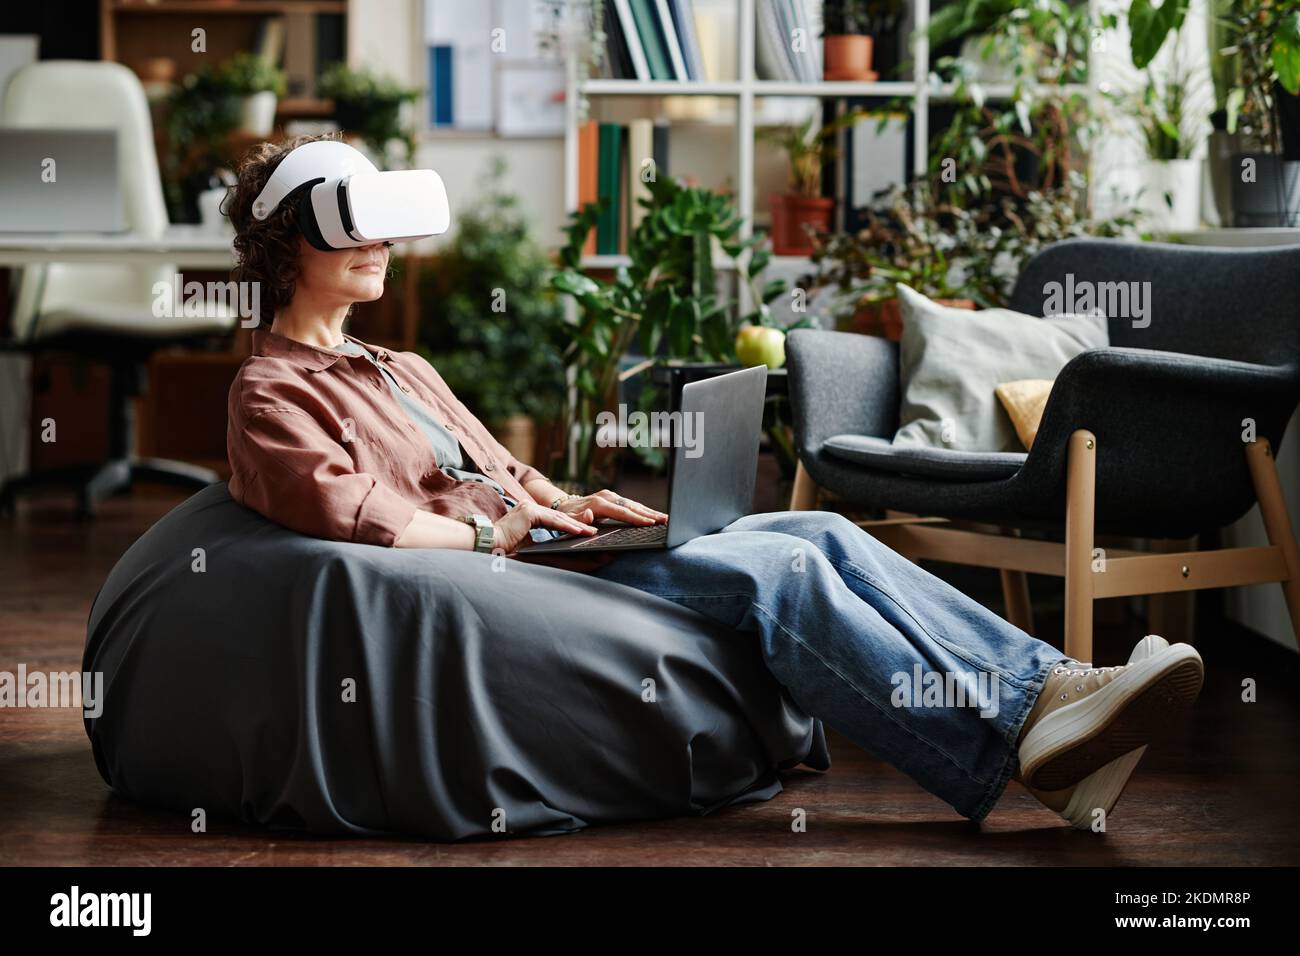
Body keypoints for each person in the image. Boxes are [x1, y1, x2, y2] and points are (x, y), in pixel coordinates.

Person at [223, 136, 1204, 830]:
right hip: (504, 581)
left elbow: (504, 469)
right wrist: (505, 537)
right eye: (355, 227)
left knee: (818, 534)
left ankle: (1052, 698)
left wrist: (566, 503)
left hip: (552, 543)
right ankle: (1030, 738)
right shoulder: (267, 392)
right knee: (779, 573)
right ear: (284, 243)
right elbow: (368, 522)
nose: (383, 244)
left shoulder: (399, 365)